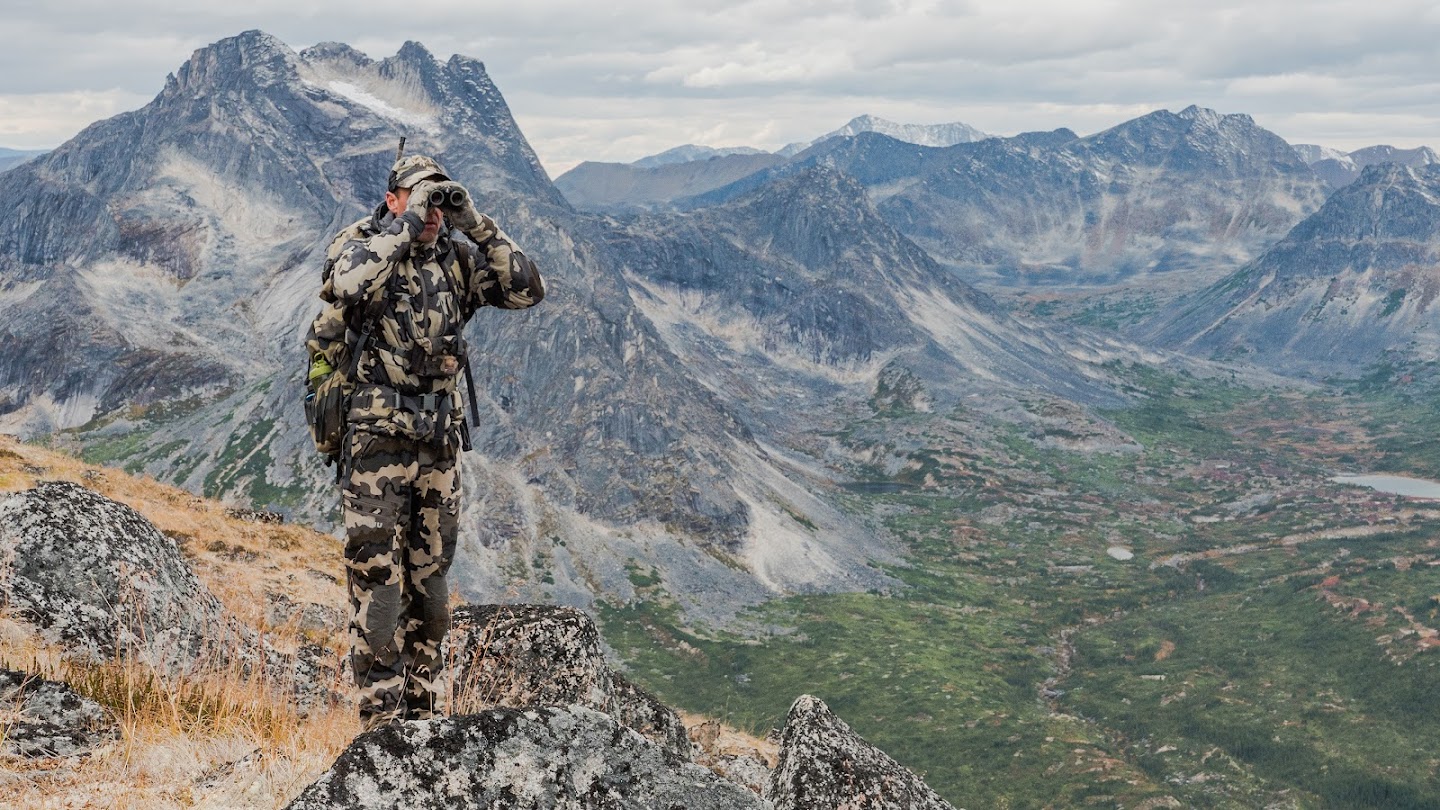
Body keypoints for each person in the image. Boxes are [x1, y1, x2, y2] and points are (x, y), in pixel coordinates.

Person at [308, 154, 545, 730]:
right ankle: (379, 729)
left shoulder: (457, 256)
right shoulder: (363, 242)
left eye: (439, 198)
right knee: (380, 589)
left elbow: (527, 289)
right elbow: (343, 284)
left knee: (433, 592)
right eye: (421, 196)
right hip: (376, 447)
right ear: (392, 198)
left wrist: (474, 220)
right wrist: (406, 227)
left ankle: (424, 718)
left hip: (439, 444)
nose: (433, 210)